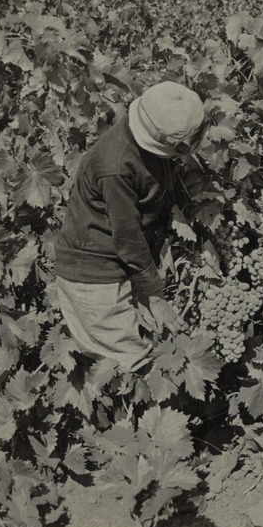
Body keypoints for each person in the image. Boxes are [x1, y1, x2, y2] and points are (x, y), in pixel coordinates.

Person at [52, 81, 206, 375]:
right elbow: (127, 239)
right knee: (128, 367)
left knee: (143, 347)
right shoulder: (116, 166)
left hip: (123, 265)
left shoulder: (149, 133)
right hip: (94, 277)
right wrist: (156, 297)